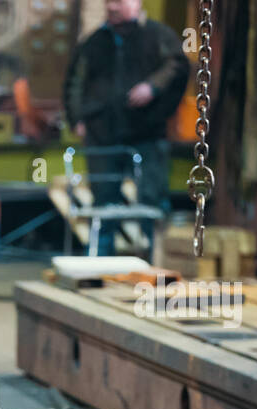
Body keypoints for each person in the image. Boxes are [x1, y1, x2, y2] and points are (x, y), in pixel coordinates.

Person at [63, 0, 188, 255]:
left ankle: (158, 263)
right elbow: (75, 81)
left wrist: (152, 87)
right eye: (108, 2)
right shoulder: (93, 43)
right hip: (103, 135)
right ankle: (97, 267)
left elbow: (176, 67)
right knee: (103, 206)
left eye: (118, 2)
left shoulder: (158, 36)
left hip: (147, 132)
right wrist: (77, 118)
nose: (111, 7)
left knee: (152, 203)